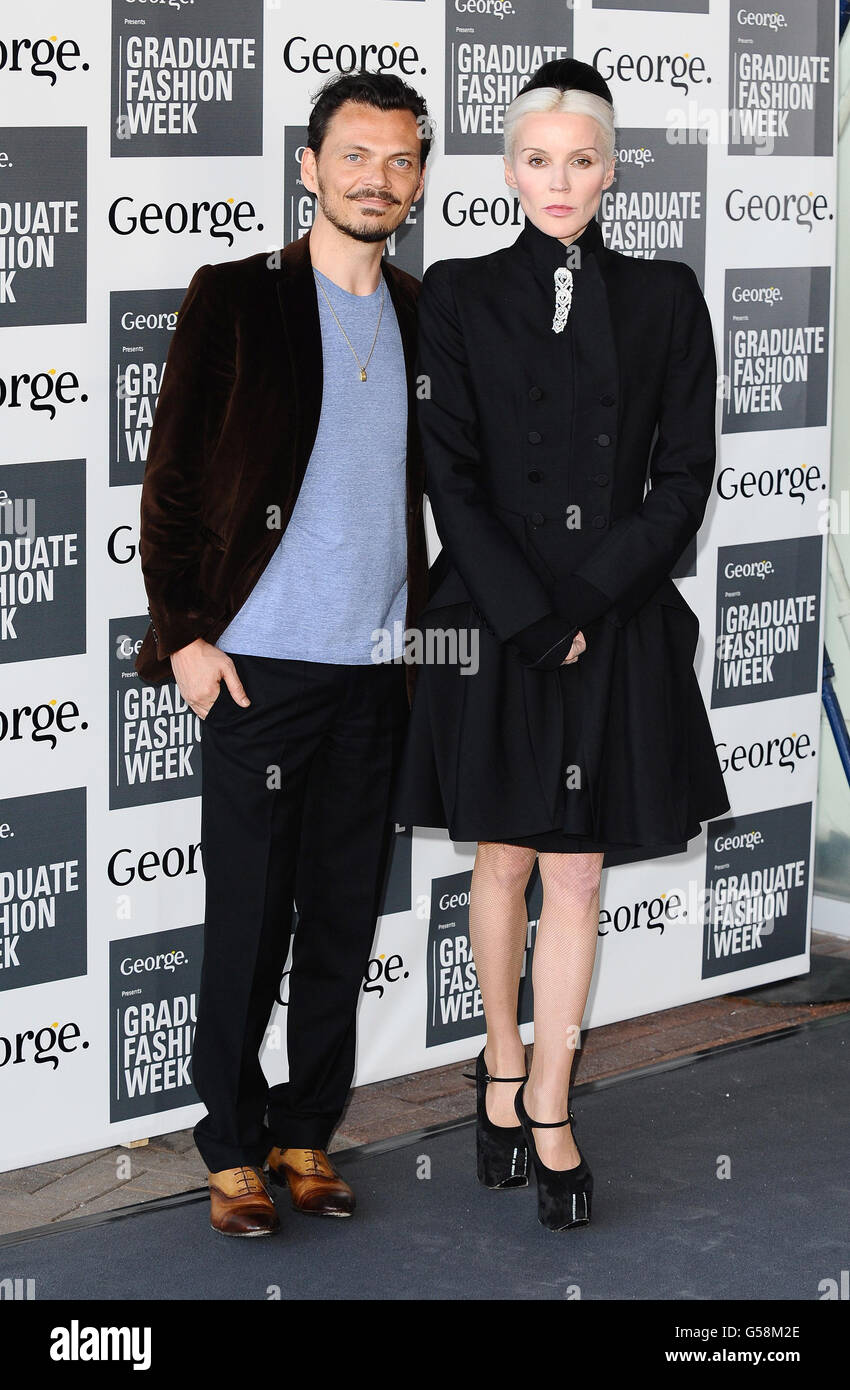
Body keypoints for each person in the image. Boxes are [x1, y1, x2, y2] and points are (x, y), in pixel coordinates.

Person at [391, 58, 731, 1232]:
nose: (559, 180)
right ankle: (496, 1060)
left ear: (611, 167)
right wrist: (531, 613)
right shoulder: (458, 291)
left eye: (580, 159)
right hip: (487, 617)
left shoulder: (664, 295)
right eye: (537, 158)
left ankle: (547, 1093)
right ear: (507, 167)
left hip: (619, 614)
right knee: (502, 857)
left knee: (577, 869)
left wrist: (587, 599)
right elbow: (451, 470)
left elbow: (683, 475)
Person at [135, 70, 430, 1236]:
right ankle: (230, 1146)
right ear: (309, 168)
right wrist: (188, 641)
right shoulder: (238, 296)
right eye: (355, 155)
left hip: (376, 671)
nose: (377, 177)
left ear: (417, 179)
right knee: (250, 918)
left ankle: (309, 1133)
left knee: (342, 916)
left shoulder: (422, 311)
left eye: (400, 160)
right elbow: (169, 484)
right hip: (256, 667)